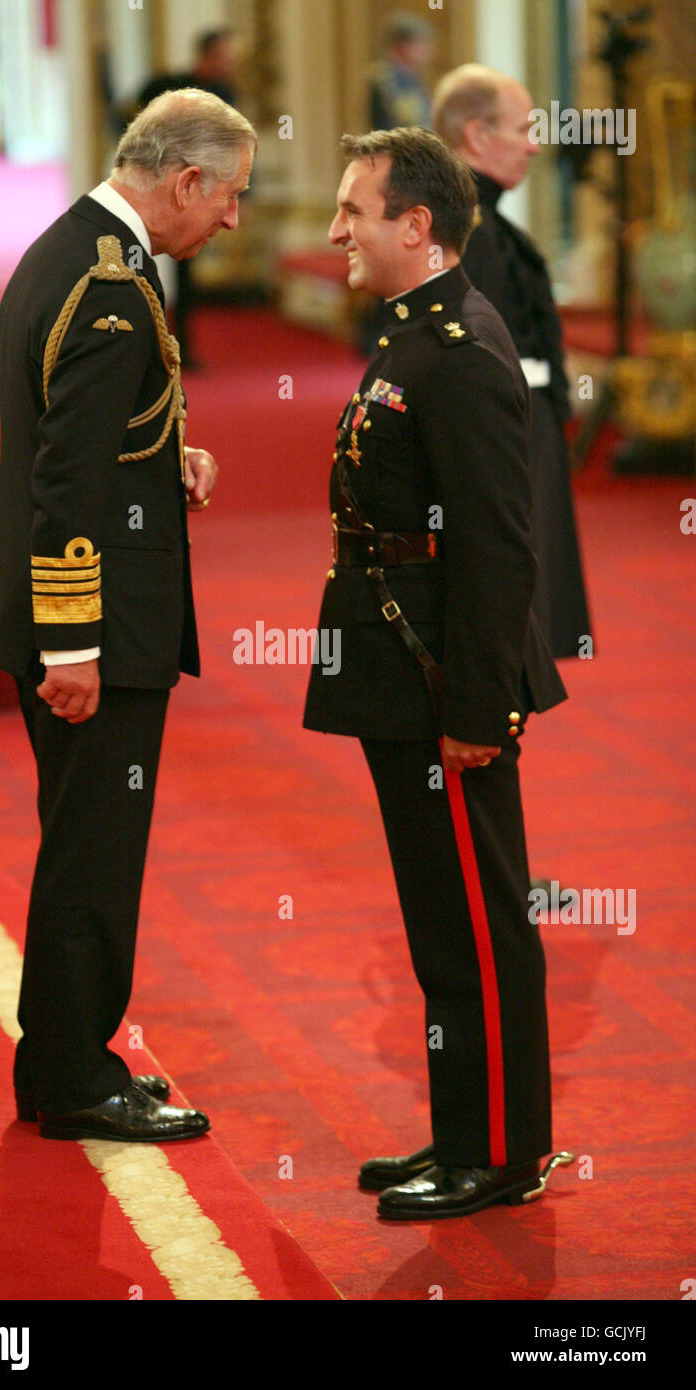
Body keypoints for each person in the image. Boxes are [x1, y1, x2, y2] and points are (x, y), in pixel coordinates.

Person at [0, 88, 257, 1144]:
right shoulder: (112, 286)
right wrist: (76, 642)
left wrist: (159, 454)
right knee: (93, 853)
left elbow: (85, 434)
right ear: (184, 181)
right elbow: (65, 476)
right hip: (89, 624)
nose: (230, 220)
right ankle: (77, 1079)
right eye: (227, 196)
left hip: (64, 605)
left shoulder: (74, 249)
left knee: (78, 840)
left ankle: (57, 1057)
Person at [303, 127, 570, 1219]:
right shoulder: (413, 332)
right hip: (396, 667)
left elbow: (500, 543)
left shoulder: (457, 346)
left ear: (414, 226)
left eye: (352, 212)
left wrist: (476, 705)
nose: (334, 232)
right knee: (435, 918)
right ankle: (462, 1128)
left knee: (476, 912)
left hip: (441, 683)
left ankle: (504, 1150)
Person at [432, 64, 591, 659]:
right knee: (513, 605)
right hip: (510, 426)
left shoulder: (481, 220)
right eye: (523, 127)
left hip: (520, 420)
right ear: (476, 136)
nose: (533, 143)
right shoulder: (470, 228)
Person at [133, 29, 242, 368]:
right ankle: (136, 344)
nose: (230, 63)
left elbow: (232, 149)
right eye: (224, 55)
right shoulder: (165, 85)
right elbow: (131, 125)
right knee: (137, 261)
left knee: (185, 270)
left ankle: (181, 348)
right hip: (153, 190)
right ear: (206, 55)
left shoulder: (225, 93)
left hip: (195, 196)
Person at [370, 12, 433, 133]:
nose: (427, 50)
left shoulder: (413, 77)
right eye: (422, 43)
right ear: (404, 45)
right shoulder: (383, 79)